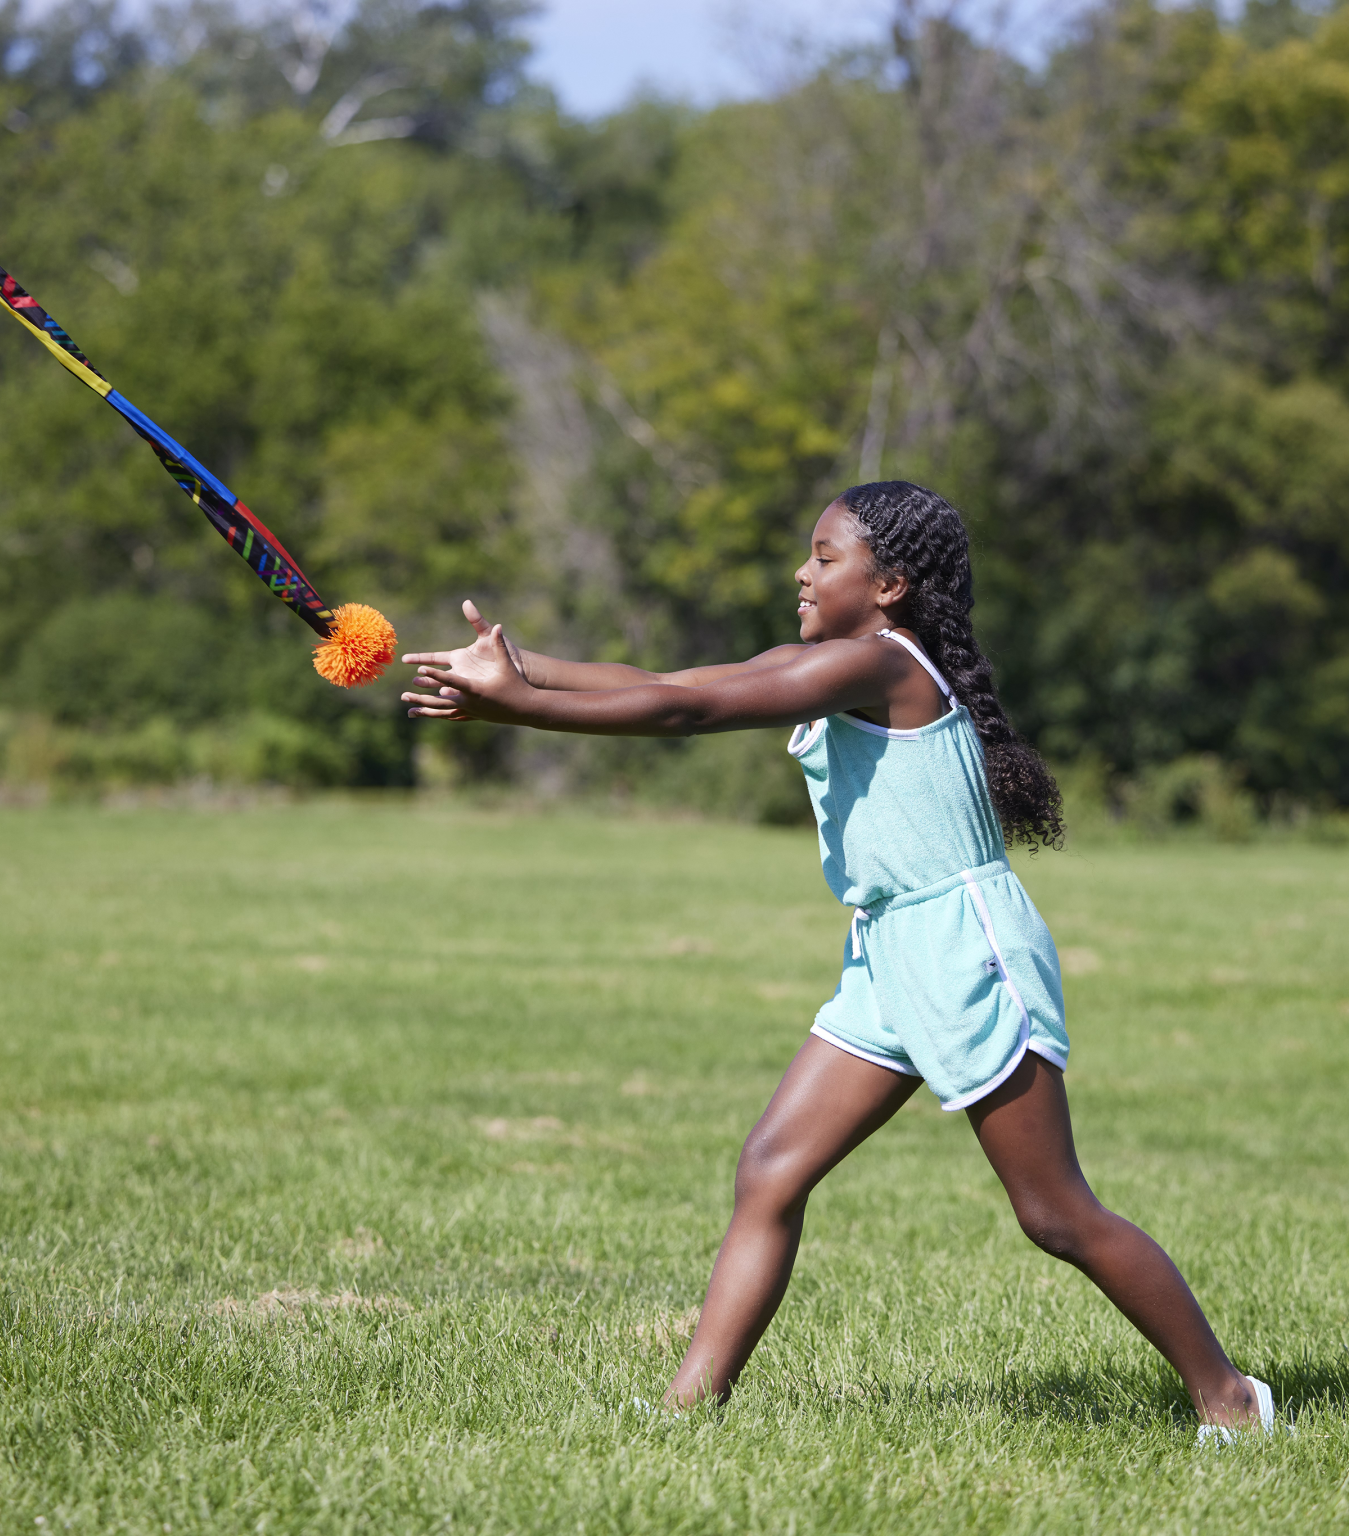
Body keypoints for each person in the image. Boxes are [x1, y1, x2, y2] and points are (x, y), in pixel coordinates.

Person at [401, 480, 1272, 1440]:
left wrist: (521, 709)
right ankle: (685, 1415)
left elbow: (688, 715)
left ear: (890, 584)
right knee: (771, 1168)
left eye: (825, 558)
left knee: (1054, 1213)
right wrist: (520, 664)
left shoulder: (881, 667)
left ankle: (1231, 1398)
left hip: (964, 950)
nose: (802, 573)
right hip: (887, 953)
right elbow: (669, 678)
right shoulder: (829, 662)